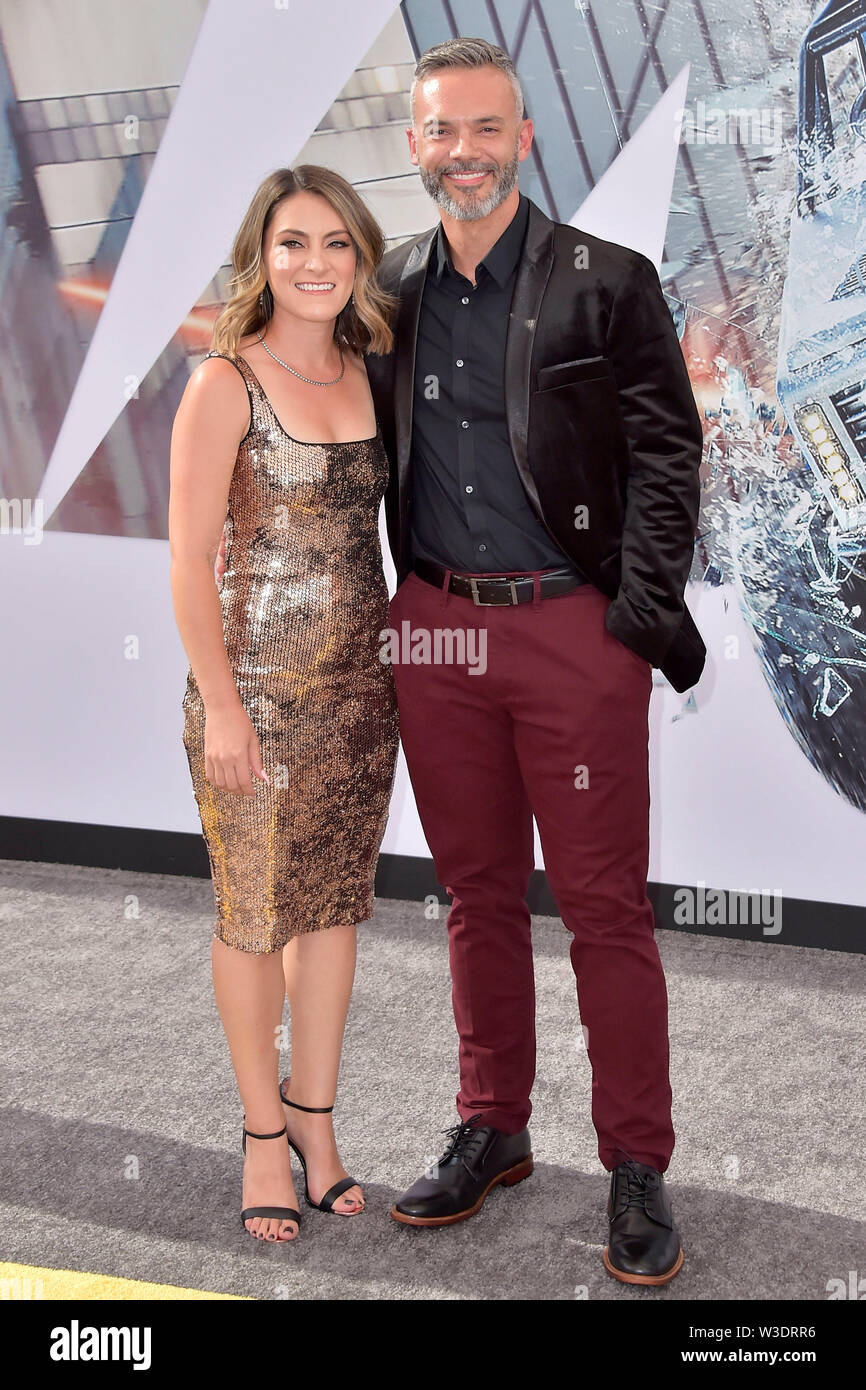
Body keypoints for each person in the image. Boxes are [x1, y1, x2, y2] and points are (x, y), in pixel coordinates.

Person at [363, 37, 706, 1286]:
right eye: (440, 131)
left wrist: (631, 620)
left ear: (522, 141)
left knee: (604, 909)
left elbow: (669, 456)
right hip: (436, 631)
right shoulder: (388, 289)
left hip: (571, 630)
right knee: (473, 894)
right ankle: (493, 1123)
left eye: (485, 130)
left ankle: (634, 1164)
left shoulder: (603, 282)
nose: (463, 153)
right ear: (414, 146)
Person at [169, 165, 399, 1243]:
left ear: (360, 258)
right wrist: (221, 706)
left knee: (333, 907)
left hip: (360, 698)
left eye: (335, 245)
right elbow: (182, 559)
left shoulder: (373, 363)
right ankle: (263, 1134)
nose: (314, 264)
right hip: (254, 697)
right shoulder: (225, 381)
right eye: (292, 243)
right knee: (254, 915)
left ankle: (316, 1116)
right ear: (261, 256)